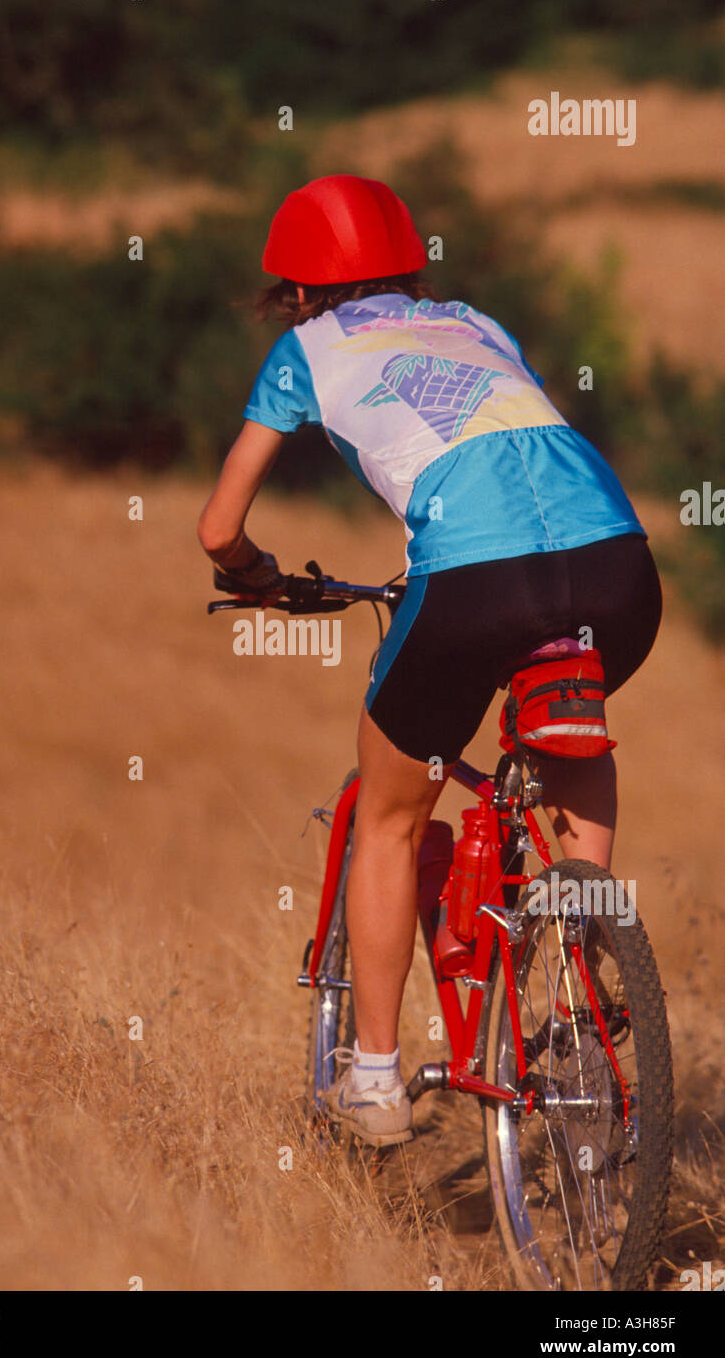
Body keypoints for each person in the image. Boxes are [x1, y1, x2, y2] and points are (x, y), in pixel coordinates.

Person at [197, 174, 662, 1146]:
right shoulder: (476, 322)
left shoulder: (303, 351)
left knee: (392, 816)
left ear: (293, 291)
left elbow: (218, 526)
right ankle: (583, 959)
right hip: (621, 567)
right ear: (412, 264)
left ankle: (371, 1081)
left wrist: (260, 576)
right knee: (568, 712)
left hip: (473, 581)